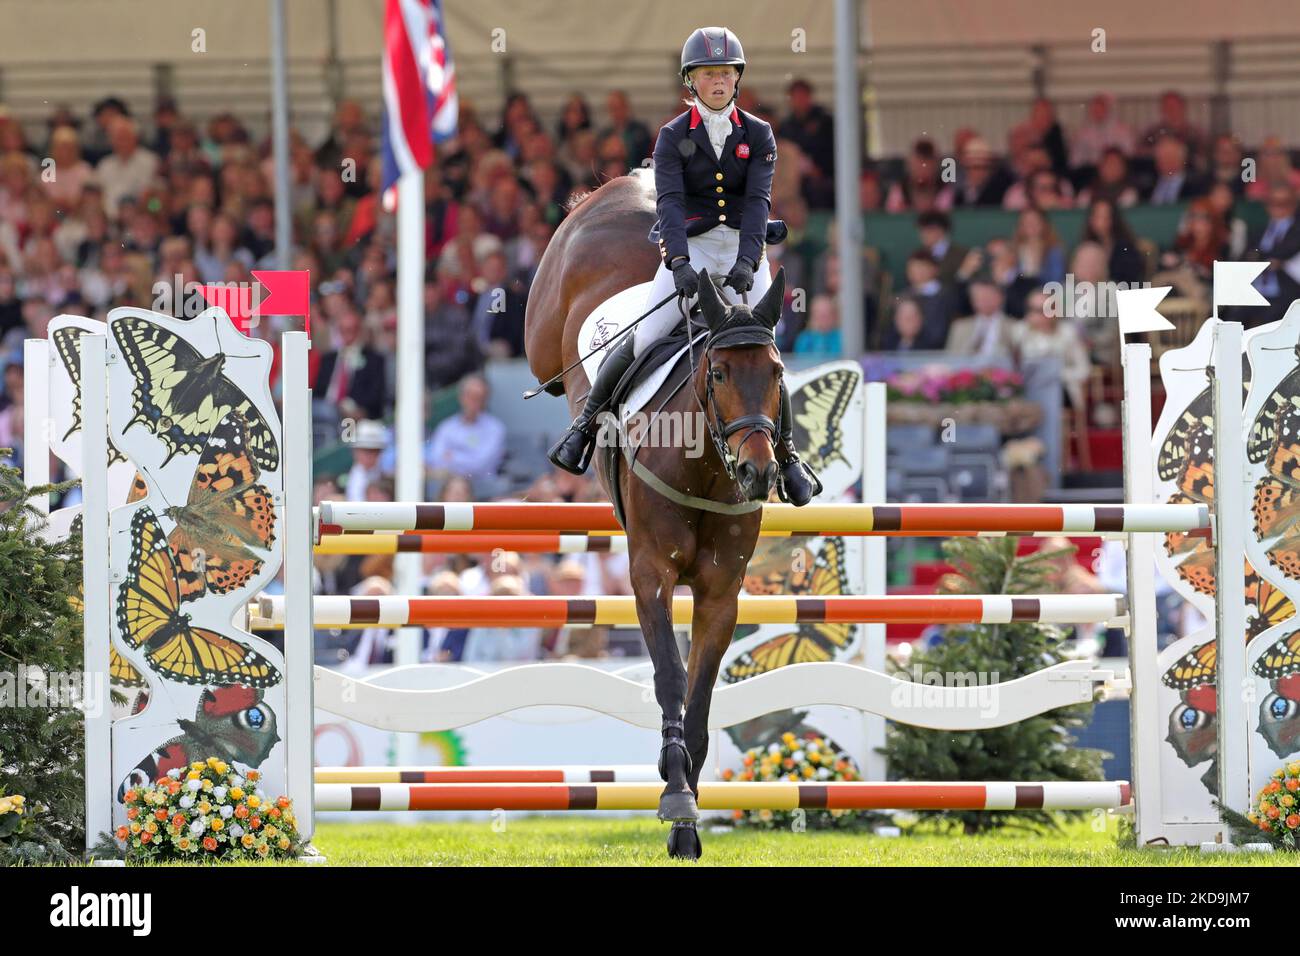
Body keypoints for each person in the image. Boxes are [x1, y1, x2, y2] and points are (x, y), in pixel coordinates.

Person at [546, 26, 820, 506]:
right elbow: (670, 204)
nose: (718, 82)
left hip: (743, 247)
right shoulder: (673, 137)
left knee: (765, 353)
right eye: (708, 74)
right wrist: (677, 262)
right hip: (689, 247)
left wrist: (747, 261)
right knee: (646, 336)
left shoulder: (759, 134)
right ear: (692, 81)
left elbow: (757, 202)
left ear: (737, 79)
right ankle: (585, 428)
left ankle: (790, 455)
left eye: (725, 73)